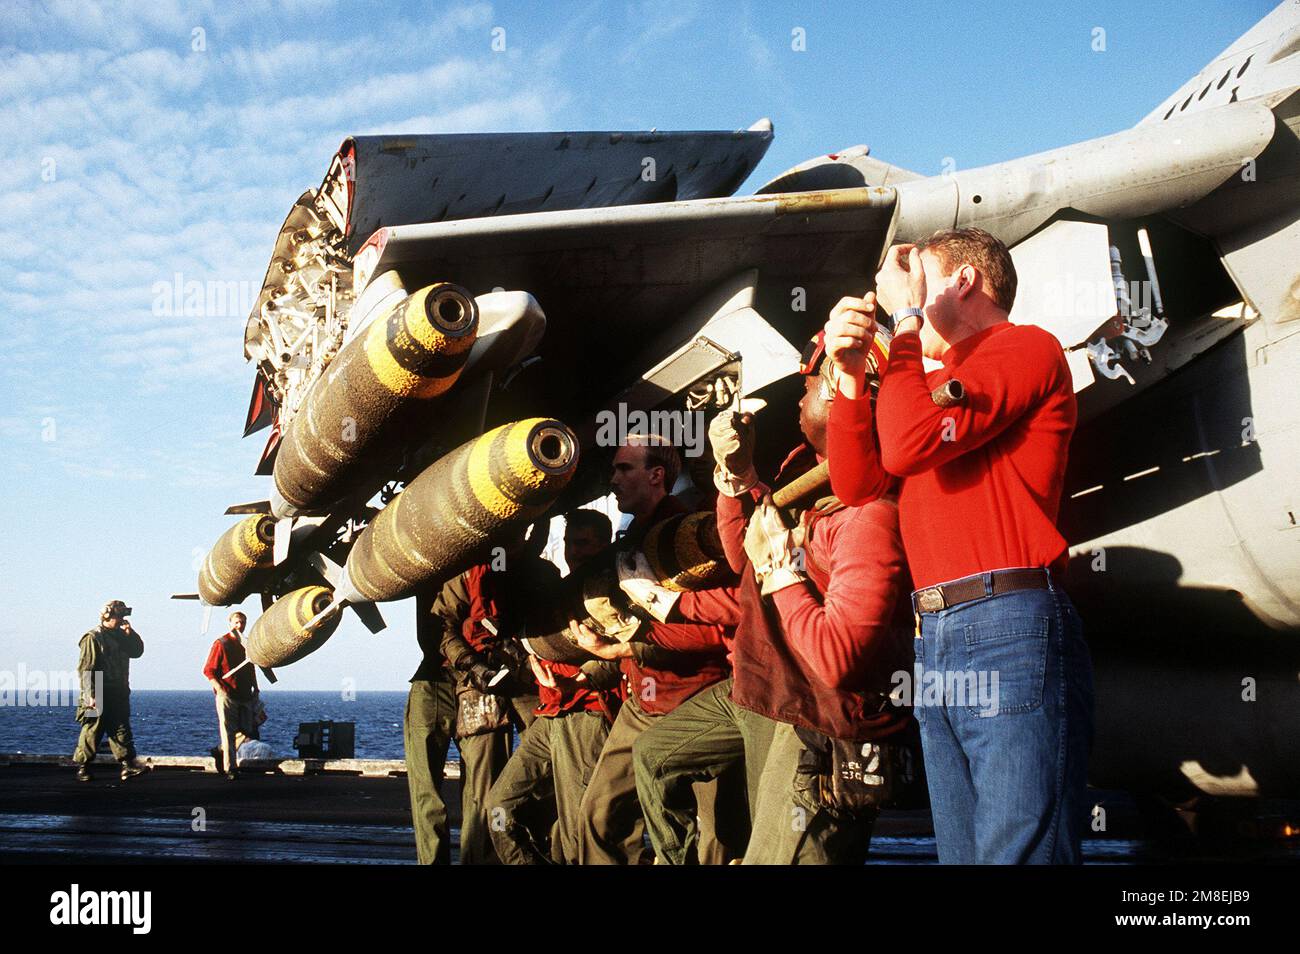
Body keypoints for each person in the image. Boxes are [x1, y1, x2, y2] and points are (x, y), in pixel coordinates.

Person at [823, 227, 1094, 864]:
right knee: (967, 857)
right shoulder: (923, 377)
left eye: (917, 273)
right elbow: (858, 482)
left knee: (1017, 854)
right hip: (938, 633)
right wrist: (848, 376)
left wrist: (907, 321)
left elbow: (909, 444)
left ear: (964, 281)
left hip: (1010, 624)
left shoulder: (1025, 347)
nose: (898, 291)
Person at [628, 333, 914, 864]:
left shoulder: (868, 516)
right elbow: (744, 559)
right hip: (788, 701)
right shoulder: (809, 478)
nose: (799, 400)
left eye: (807, 387)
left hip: (826, 729)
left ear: (837, 388)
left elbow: (835, 656)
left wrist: (779, 567)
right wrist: (736, 475)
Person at [572, 435, 743, 865]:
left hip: (696, 700)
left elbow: (714, 633)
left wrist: (626, 648)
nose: (613, 479)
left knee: (716, 842)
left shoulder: (692, 538)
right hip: (645, 704)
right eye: (613, 469)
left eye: (624, 469)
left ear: (657, 476)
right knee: (597, 818)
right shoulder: (633, 539)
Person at [487, 509, 619, 864]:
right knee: (500, 806)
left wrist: (579, 679)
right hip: (551, 713)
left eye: (583, 543)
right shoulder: (561, 589)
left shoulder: (616, 591)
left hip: (587, 714)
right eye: (569, 543)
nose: (574, 551)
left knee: (578, 828)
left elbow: (622, 656)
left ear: (605, 545)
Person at [437, 526, 560, 864]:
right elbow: (444, 628)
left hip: (529, 681)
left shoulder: (541, 574)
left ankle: (537, 849)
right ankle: (480, 857)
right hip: (480, 684)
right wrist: (474, 667)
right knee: (482, 784)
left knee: (544, 768)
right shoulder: (467, 575)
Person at [404, 586, 458, 865]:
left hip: (433, 683)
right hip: (478, 684)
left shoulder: (427, 562)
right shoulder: (492, 561)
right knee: (483, 792)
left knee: (426, 790)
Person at [73, 600, 147, 782]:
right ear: (107, 616)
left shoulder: (122, 636)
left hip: (118, 688)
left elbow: (137, 652)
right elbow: (86, 668)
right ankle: (83, 767)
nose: (120, 620)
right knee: (93, 728)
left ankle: (127, 765)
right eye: (117, 616)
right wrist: (90, 694)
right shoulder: (93, 637)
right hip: (97, 686)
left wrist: (131, 634)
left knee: (121, 727)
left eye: (122, 616)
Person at [203, 611, 260, 781]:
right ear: (230, 623)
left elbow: (251, 667)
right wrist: (220, 690)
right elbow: (209, 670)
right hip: (227, 694)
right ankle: (231, 768)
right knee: (228, 731)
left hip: (245, 694)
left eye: (242, 622)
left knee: (248, 729)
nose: (239, 625)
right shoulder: (221, 643)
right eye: (236, 622)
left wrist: (256, 688)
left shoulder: (247, 645)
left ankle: (221, 750)